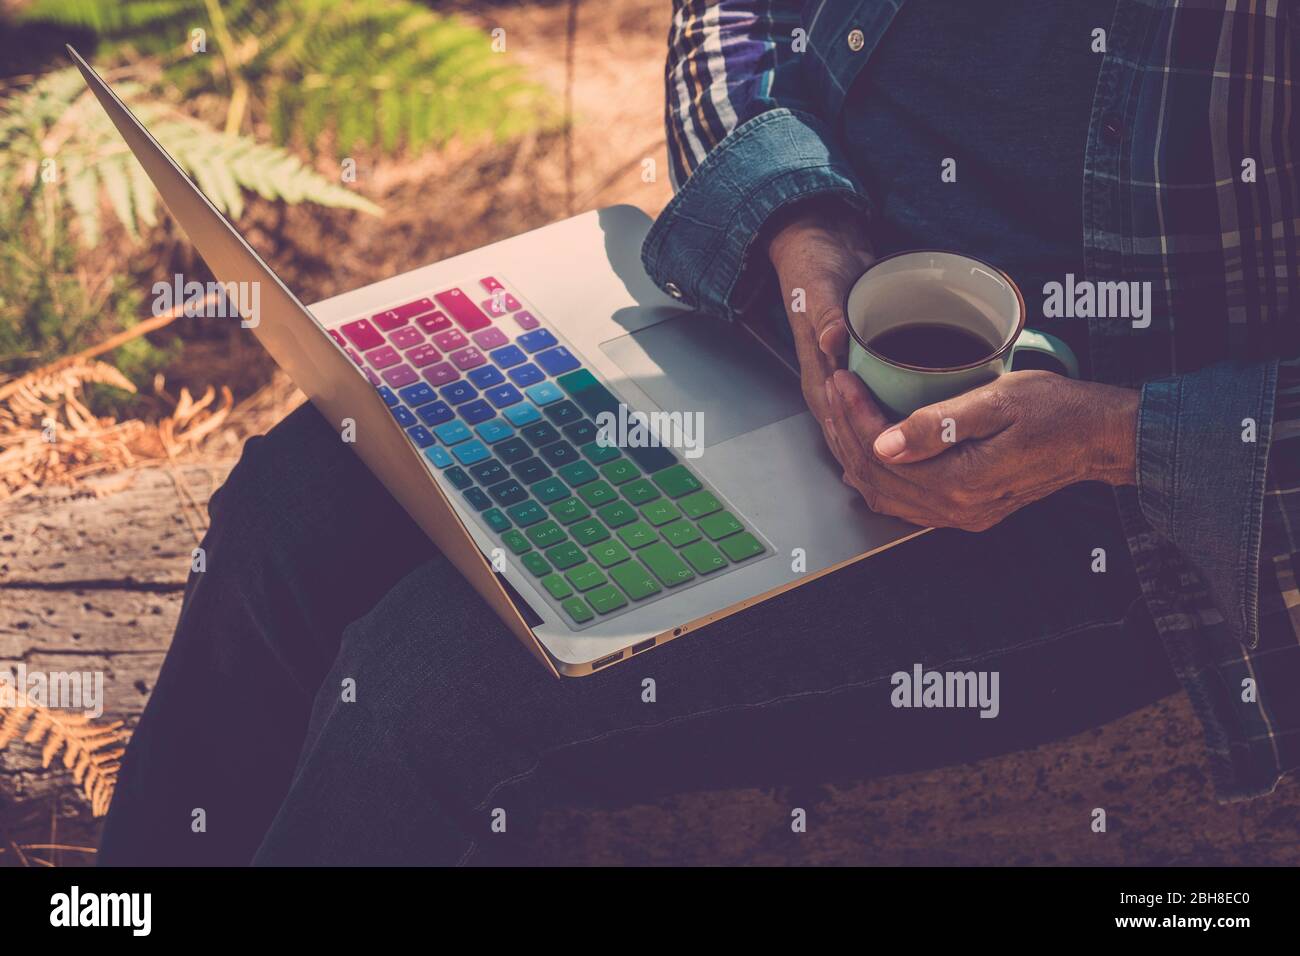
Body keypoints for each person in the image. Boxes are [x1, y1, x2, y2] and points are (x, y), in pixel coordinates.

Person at [99, 0, 1299, 866]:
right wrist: (798, 232)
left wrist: (1110, 432)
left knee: (421, 684)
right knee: (281, 511)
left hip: (1099, 519)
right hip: (758, 329)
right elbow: (726, 20)